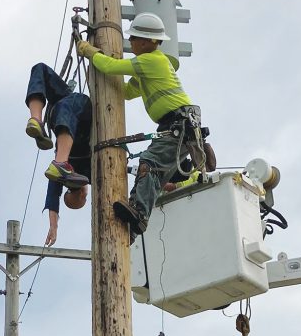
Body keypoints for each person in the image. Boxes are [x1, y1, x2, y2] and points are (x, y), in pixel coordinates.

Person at [77, 12, 207, 238]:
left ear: (147, 41)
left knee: (149, 162)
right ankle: (132, 229)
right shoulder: (149, 67)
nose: (131, 43)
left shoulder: (152, 60)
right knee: (154, 172)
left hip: (179, 123)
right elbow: (126, 92)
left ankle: (139, 214)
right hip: (182, 125)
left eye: (134, 38)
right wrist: (96, 73)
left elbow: (109, 66)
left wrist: (90, 52)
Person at [24, 62, 92, 246]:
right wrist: (53, 226)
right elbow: (52, 197)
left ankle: (36, 119)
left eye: (84, 197)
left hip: (73, 113)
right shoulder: (89, 175)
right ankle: (36, 119)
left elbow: (53, 197)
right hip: (66, 113)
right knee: (40, 70)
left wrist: (54, 228)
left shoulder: (89, 174)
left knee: (41, 71)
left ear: (81, 193)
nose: (87, 194)